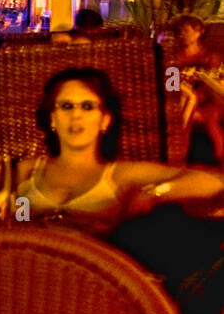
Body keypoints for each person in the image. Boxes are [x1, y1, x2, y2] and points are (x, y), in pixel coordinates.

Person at [17, 67, 224, 237]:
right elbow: (14, 217)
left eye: (87, 107)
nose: (76, 115)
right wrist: (24, 215)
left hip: (98, 276)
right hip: (26, 272)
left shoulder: (119, 174)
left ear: (105, 121)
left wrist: (155, 193)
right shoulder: (28, 171)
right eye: (66, 106)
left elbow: (213, 182)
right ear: (52, 119)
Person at [168, 13, 224, 166]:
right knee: (198, 108)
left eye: (186, 31)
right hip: (182, 99)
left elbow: (212, 84)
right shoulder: (173, 58)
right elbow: (170, 86)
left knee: (209, 112)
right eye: (179, 31)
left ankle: (178, 154)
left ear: (199, 32)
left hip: (207, 100)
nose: (181, 35)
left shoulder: (210, 57)